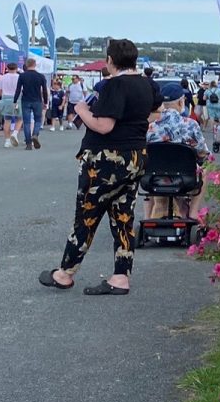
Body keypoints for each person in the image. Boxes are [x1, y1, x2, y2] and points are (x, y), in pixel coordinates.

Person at [39, 38, 161, 296]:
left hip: (105, 160)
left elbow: (104, 125)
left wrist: (82, 110)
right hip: (136, 156)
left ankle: (65, 273)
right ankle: (120, 276)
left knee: (87, 215)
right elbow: (155, 113)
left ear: (110, 60)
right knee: (124, 217)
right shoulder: (146, 84)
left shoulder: (114, 86)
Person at [145, 82, 212, 219]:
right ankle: (193, 212)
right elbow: (203, 153)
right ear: (181, 102)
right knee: (204, 171)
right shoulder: (190, 125)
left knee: (147, 168)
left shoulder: (150, 126)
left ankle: (147, 216)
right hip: (184, 179)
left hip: (153, 179)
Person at [14, 58, 50, 151]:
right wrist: (45, 102)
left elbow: (18, 89)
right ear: (35, 64)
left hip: (25, 100)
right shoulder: (41, 76)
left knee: (26, 122)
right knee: (38, 120)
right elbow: (45, 91)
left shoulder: (22, 76)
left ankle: (28, 143)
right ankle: (35, 134)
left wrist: (15, 101)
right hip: (37, 100)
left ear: (26, 64)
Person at [0, 63, 20, 149]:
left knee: (7, 120)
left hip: (6, 99)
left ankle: (7, 141)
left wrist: (3, 95)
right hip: (17, 99)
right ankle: (15, 132)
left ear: (7, 68)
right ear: (16, 68)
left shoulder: (3, 77)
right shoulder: (19, 77)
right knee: (20, 118)